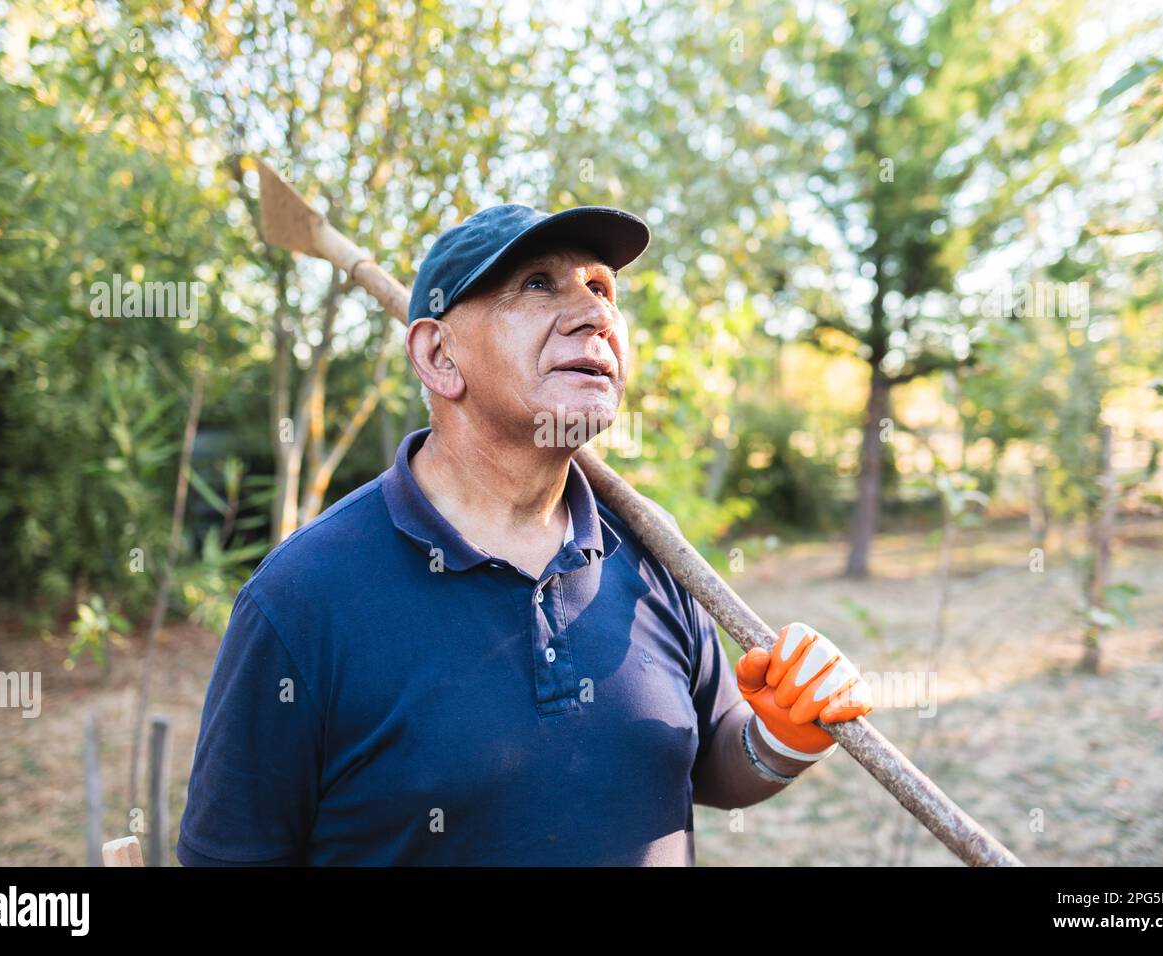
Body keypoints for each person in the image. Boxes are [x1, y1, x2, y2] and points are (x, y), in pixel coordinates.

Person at [176, 202, 873, 865]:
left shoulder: (654, 554)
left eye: (602, 288)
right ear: (440, 356)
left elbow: (711, 763)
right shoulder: (304, 598)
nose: (596, 313)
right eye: (538, 285)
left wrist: (779, 738)